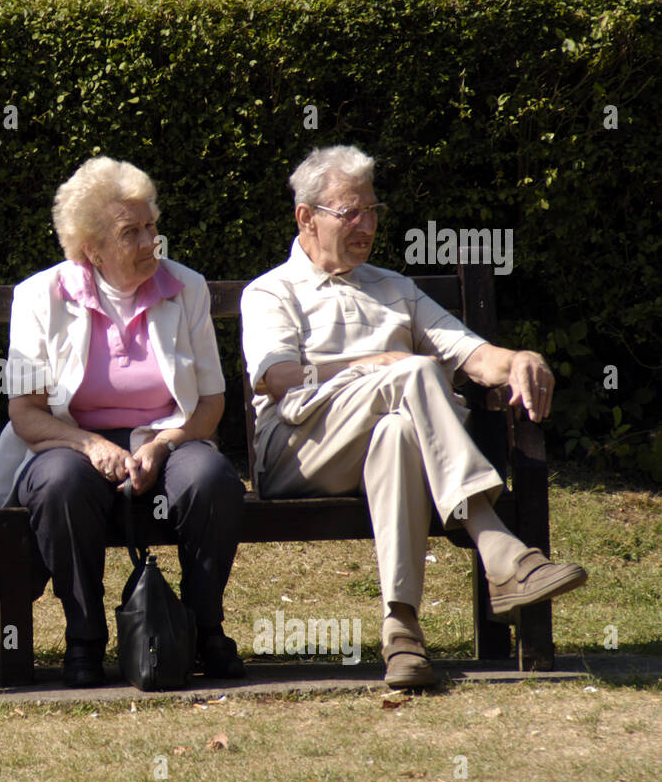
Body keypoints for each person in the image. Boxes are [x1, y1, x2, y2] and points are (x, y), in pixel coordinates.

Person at [240, 145, 588, 689]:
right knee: (414, 373)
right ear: (306, 218)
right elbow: (280, 379)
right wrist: (375, 366)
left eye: (373, 210)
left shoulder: (394, 288)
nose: (367, 225)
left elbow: (471, 354)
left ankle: (401, 632)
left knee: (399, 430)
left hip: (388, 445)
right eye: (350, 212)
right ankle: (497, 545)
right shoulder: (271, 292)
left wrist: (519, 358)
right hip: (299, 450)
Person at [0, 157, 247, 687]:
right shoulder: (38, 297)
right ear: (90, 249)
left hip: (168, 436)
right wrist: (90, 444)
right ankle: (84, 639)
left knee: (211, 481)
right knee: (61, 484)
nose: (150, 242)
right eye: (132, 233)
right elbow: (25, 412)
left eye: (152, 226)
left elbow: (210, 404)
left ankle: (203, 629)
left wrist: (163, 446)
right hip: (67, 441)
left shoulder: (186, 288)